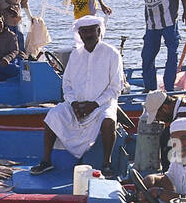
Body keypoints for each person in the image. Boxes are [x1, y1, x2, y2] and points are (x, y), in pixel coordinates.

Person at [30, 17, 123, 176]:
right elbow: (66, 85)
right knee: (54, 115)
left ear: (98, 31)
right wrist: (73, 104)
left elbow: (116, 88)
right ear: (79, 34)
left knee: (108, 121)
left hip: (102, 105)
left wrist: (94, 104)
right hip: (76, 106)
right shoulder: (75, 55)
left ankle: (106, 163)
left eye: (91, 31)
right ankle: (46, 160)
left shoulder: (112, 53)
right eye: (83, 31)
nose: (87, 35)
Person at [128, 0, 186, 94]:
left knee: (172, 53)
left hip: (169, 21)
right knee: (147, 55)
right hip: (151, 24)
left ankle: (169, 88)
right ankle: (150, 86)